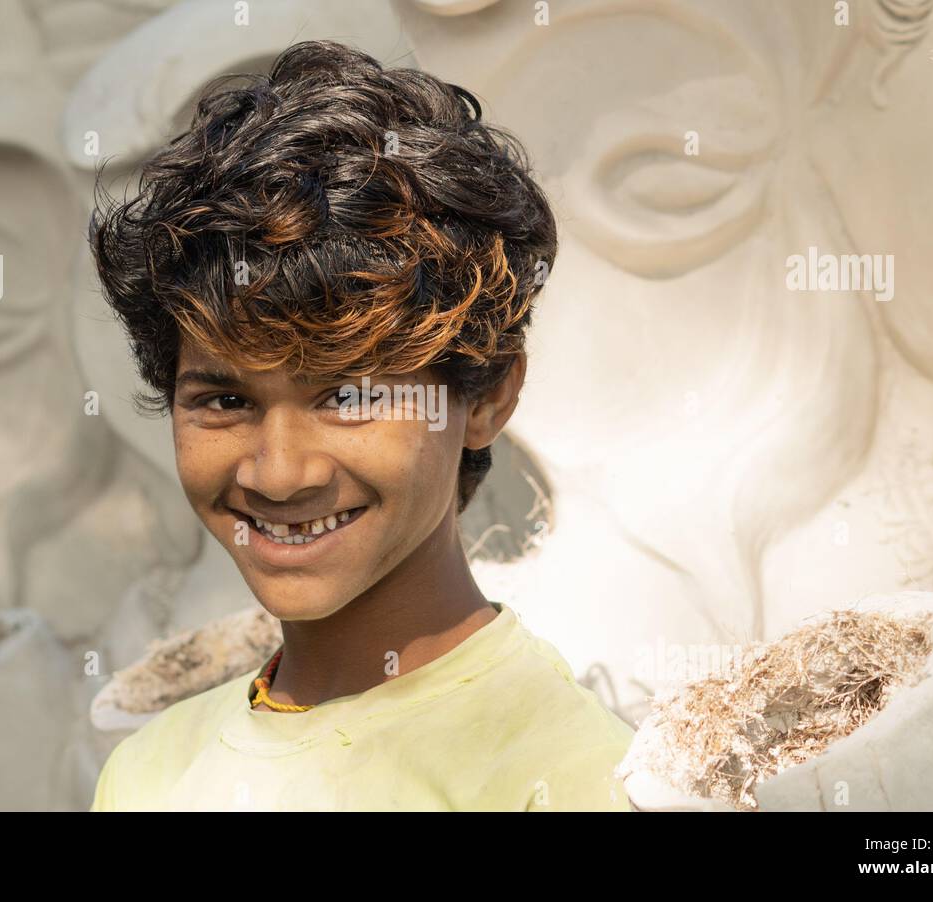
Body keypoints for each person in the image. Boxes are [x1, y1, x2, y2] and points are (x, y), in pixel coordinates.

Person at [87, 39, 633, 811]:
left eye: (349, 398)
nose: (278, 473)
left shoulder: (572, 781)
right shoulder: (147, 773)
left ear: (484, 399)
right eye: (225, 401)